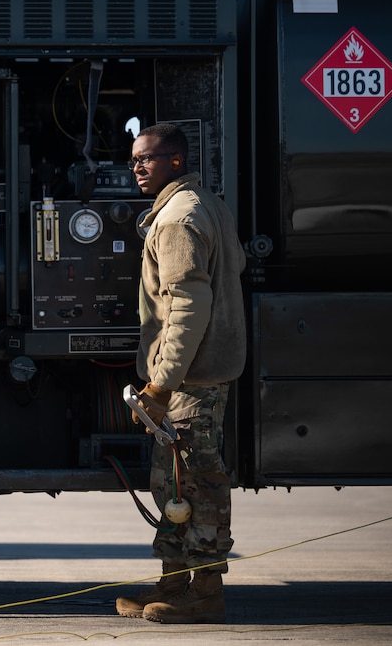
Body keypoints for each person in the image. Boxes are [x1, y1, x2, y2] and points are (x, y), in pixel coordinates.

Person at [114, 122, 247, 625]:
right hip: (195, 374)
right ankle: (172, 584)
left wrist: (161, 384)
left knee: (197, 483)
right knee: (171, 482)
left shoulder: (177, 219)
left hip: (190, 379)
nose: (138, 168)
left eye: (146, 159)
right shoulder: (205, 204)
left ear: (175, 160)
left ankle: (205, 592)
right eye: (133, 161)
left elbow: (186, 308)